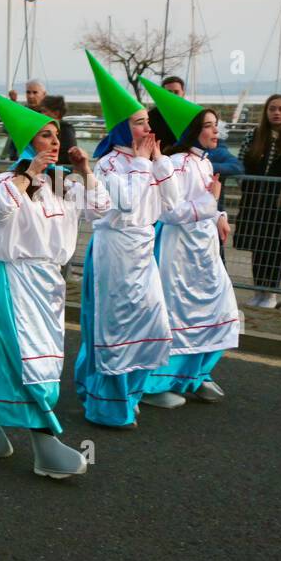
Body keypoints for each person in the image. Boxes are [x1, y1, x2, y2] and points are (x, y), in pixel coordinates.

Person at [0, 90, 109, 478]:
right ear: (28, 142)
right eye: (46, 135)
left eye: (57, 135)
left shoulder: (64, 185)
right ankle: (46, 447)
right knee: (24, 363)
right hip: (8, 281)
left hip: (48, 284)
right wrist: (28, 174)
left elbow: (102, 210)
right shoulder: (7, 181)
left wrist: (86, 172)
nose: (56, 142)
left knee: (35, 361)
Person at [73, 52, 181, 428]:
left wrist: (160, 162)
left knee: (151, 321)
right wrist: (140, 164)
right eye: (139, 123)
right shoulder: (106, 166)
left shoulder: (146, 161)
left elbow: (174, 204)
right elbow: (125, 202)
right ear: (121, 128)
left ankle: (133, 393)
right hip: (114, 251)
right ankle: (106, 405)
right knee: (113, 326)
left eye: (148, 121)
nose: (147, 129)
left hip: (143, 250)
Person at [137, 79, 240, 404]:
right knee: (176, 313)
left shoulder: (205, 162)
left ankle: (193, 376)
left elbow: (207, 201)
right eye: (208, 126)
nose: (215, 131)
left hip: (205, 250)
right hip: (178, 251)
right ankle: (156, 383)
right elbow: (169, 212)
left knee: (216, 308)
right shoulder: (178, 164)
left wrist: (219, 214)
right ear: (192, 130)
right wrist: (210, 205)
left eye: (216, 126)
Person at [232, 94, 281, 309]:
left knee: (275, 250)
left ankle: (271, 293)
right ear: (266, 112)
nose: (276, 112)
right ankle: (259, 290)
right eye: (272, 108)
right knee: (257, 247)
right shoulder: (254, 135)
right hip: (255, 202)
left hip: (280, 204)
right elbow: (240, 163)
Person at [1, 79, 48, 161]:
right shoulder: (20, 111)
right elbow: (6, 129)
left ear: (44, 94)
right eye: (28, 92)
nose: (31, 96)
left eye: (35, 92)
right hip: (18, 159)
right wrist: (13, 105)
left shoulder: (49, 114)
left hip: (42, 160)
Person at [146, 75, 186, 150]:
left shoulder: (191, 116)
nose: (172, 95)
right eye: (169, 92)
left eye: (176, 92)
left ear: (183, 94)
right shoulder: (151, 116)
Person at [39, 94, 78, 166]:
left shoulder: (66, 130)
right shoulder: (63, 129)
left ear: (56, 113)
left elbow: (67, 155)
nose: (41, 114)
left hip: (59, 171)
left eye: (44, 111)